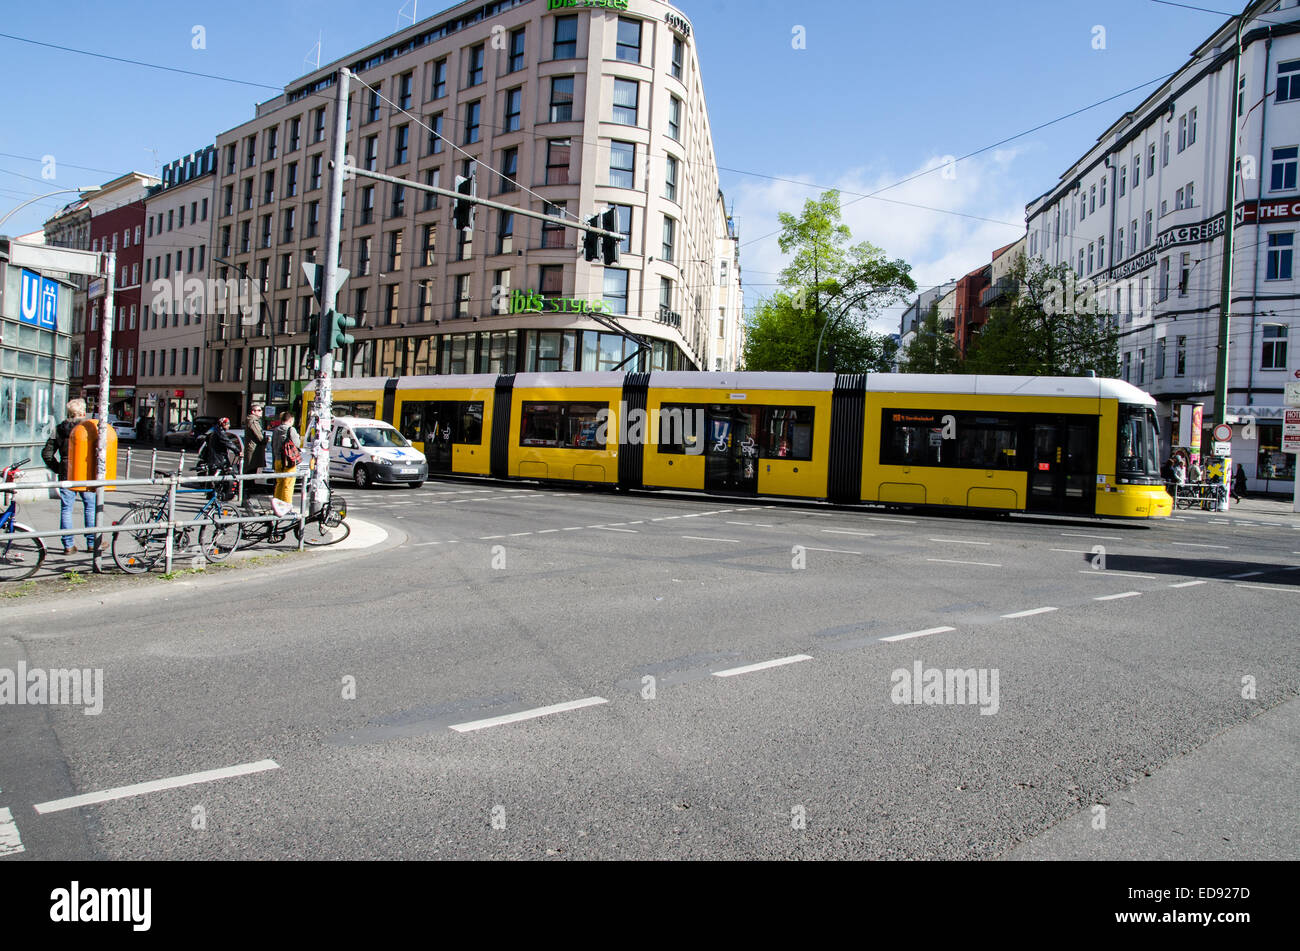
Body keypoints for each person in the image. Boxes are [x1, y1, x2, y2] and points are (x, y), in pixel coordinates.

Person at [41, 398, 98, 555]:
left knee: (66, 508)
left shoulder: (59, 429)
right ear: (83, 412)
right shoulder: (90, 428)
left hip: (66, 473)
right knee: (90, 507)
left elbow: (46, 453)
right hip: (86, 473)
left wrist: (58, 468)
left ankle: (68, 545)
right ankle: (92, 543)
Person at [270, 410, 302, 505]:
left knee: (279, 483)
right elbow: (297, 444)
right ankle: (286, 506)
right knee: (288, 484)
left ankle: (276, 504)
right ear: (291, 420)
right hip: (288, 461)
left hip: (278, 460)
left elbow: (273, 445)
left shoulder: (276, 430)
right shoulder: (291, 429)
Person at [242, 404, 267, 482]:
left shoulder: (254, 420)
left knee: (251, 472)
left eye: (261, 410)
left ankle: (247, 490)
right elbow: (259, 437)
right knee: (250, 472)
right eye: (259, 410)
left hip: (253, 450)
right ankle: (246, 491)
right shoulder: (253, 421)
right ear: (253, 412)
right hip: (253, 451)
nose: (261, 412)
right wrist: (266, 440)